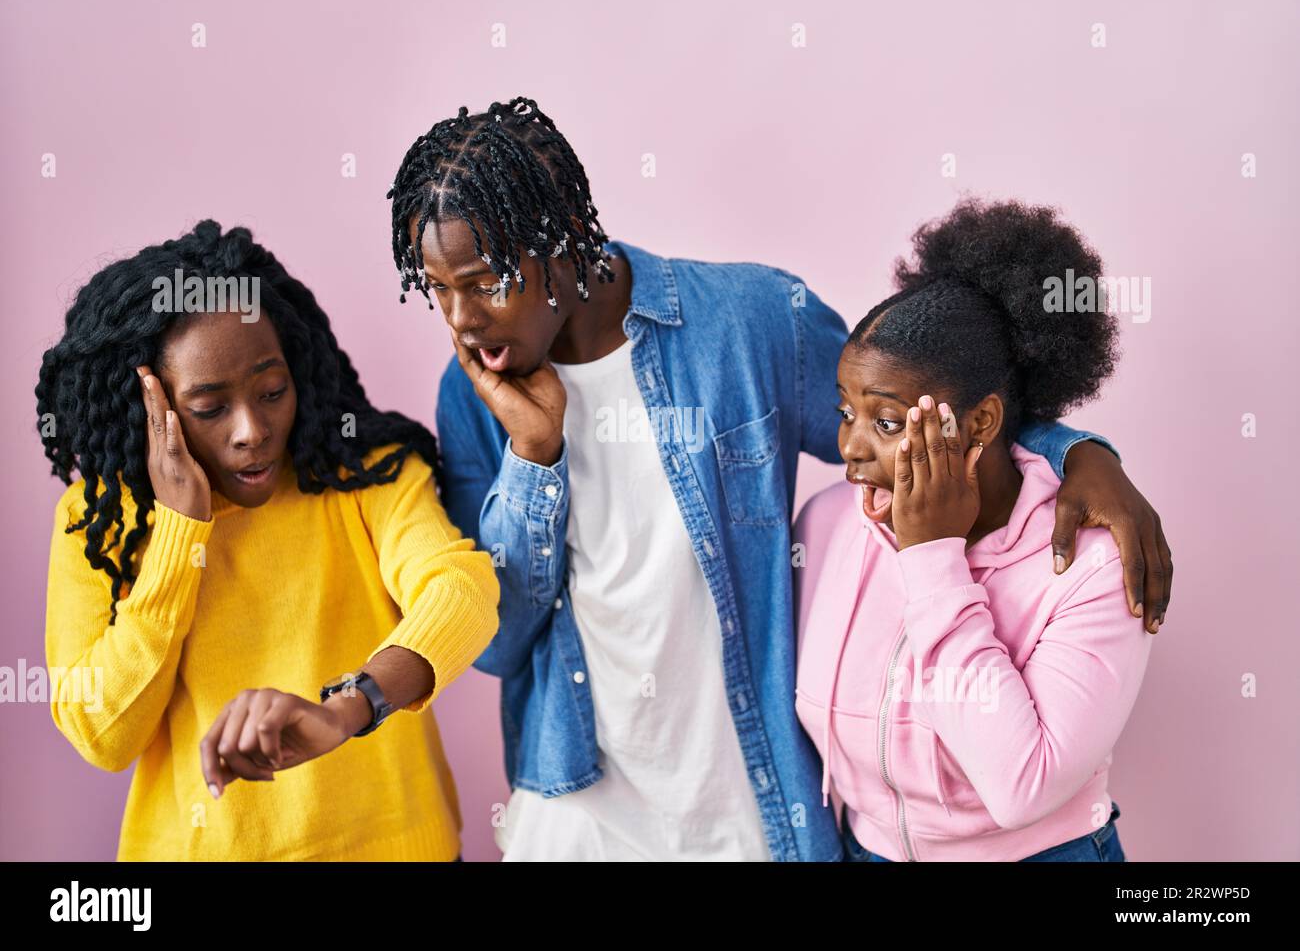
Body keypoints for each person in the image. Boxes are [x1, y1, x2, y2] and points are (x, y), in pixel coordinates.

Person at [384, 97, 1171, 861]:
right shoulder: (473, 392)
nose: (460, 320)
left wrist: (1078, 453)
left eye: (483, 283)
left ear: (559, 243)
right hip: (576, 807)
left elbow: (916, 398)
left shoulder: (748, 319)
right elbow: (497, 640)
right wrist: (533, 454)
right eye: (438, 290)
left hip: (749, 806)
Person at [38, 220, 499, 860]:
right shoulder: (100, 522)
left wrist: (349, 707)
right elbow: (101, 734)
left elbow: (462, 591)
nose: (252, 429)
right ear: (153, 407)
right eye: (209, 407)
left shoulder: (365, 473)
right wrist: (179, 533)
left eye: (272, 390)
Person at [794, 198, 1153, 862]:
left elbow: (1022, 786)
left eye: (889, 422)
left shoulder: (1091, 564)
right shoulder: (824, 526)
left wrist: (933, 559)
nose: (850, 447)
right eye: (847, 411)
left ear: (981, 423)